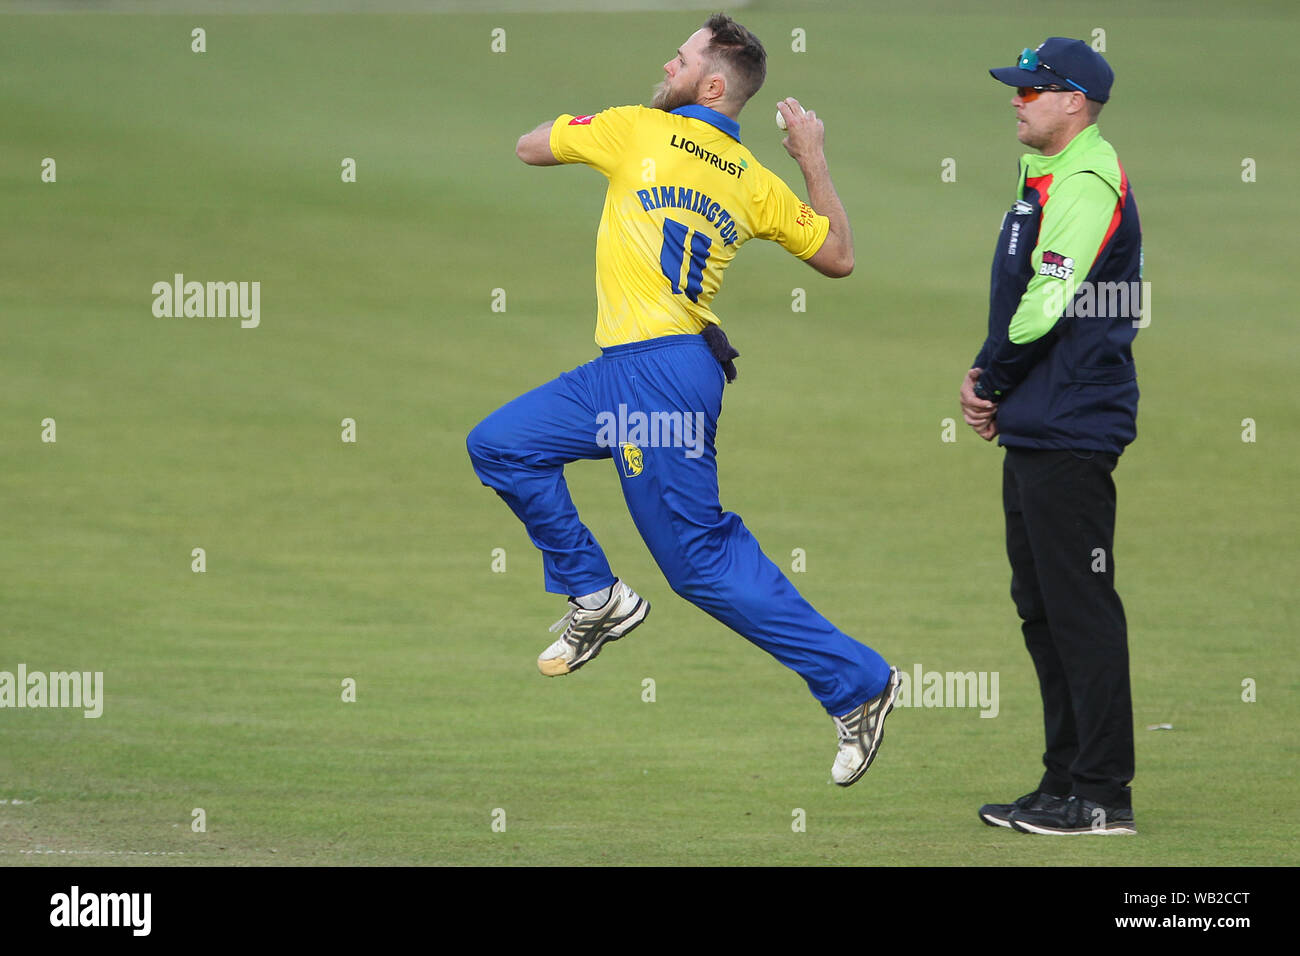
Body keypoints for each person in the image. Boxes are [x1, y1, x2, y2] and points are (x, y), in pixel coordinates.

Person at [467, 13, 899, 785]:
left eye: (680, 57)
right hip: (637, 369)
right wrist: (814, 158)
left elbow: (531, 145)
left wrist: (618, 124)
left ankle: (858, 683)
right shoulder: (755, 180)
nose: (664, 64)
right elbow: (838, 256)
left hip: (655, 375)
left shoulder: (635, 128)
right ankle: (595, 594)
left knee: (699, 560)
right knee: (501, 444)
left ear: (708, 82)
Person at [961, 38, 1142, 834]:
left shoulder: (1086, 179)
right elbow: (1020, 301)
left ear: (1074, 102)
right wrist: (987, 373)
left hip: (1072, 423)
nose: (1018, 100)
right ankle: (1063, 780)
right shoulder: (1045, 177)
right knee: (1041, 605)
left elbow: (1050, 299)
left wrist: (992, 378)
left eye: (1033, 90)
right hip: (1042, 418)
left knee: (1079, 608)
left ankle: (1103, 796)